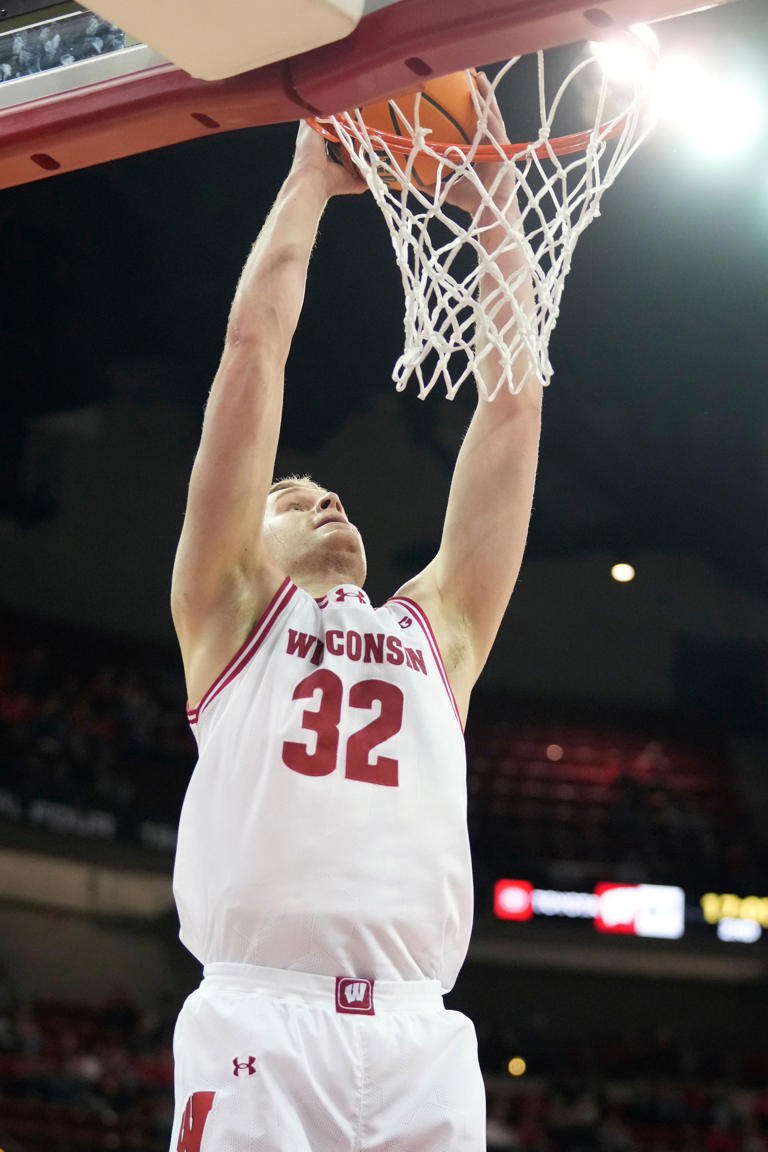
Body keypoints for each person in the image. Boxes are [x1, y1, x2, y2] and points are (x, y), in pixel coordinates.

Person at [169, 75, 542, 1152]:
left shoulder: (441, 634)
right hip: (259, 1021)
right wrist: (305, 184)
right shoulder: (232, 614)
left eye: (330, 491)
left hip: (421, 1037)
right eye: (290, 495)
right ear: (250, 539)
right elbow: (254, 357)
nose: (325, 495)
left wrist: (497, 210)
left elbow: (511, 406)